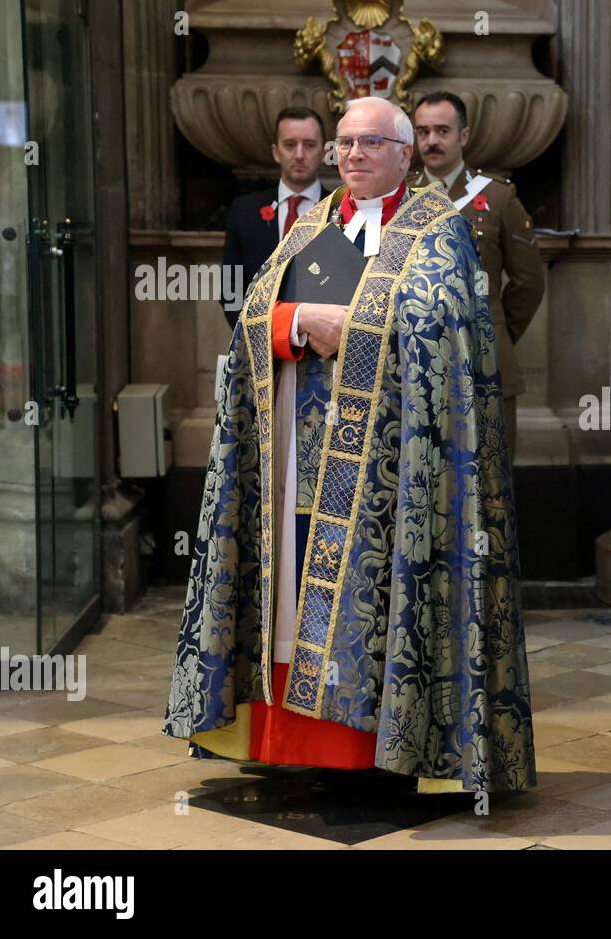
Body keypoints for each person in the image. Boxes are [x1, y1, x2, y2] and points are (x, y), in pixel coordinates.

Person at [163, 96, 536, 794]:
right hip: (298, 455)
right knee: (298, 597)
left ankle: (384, 755)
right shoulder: (309, 226)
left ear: (403, 152)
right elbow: (253, 315)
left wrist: (357, 328)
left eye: (371, 142)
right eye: (345, 143)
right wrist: (301, 320)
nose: (354, 155)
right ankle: (295, 746)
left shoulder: (438, 232)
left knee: (380, 601)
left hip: (396, 467)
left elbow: (443, 330)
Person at [410, 90, 546, 458]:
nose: (432, 141)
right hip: (417, 361)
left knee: (491, 474)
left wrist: (495, 329)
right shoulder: (402, 196)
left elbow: (528, 282)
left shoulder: (498, 198)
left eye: (442, 131)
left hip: (486, 361)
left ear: (464, 136)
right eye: (423, 132)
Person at [220, 106, 326, 329]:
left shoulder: (342, 211)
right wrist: (255, 337)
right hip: (259, 343)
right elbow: (230, 287)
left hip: (325, 349)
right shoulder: (245, 211)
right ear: (276, 152)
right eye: (290, 145)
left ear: (324, 152)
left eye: (309, 145)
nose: (299, 155)